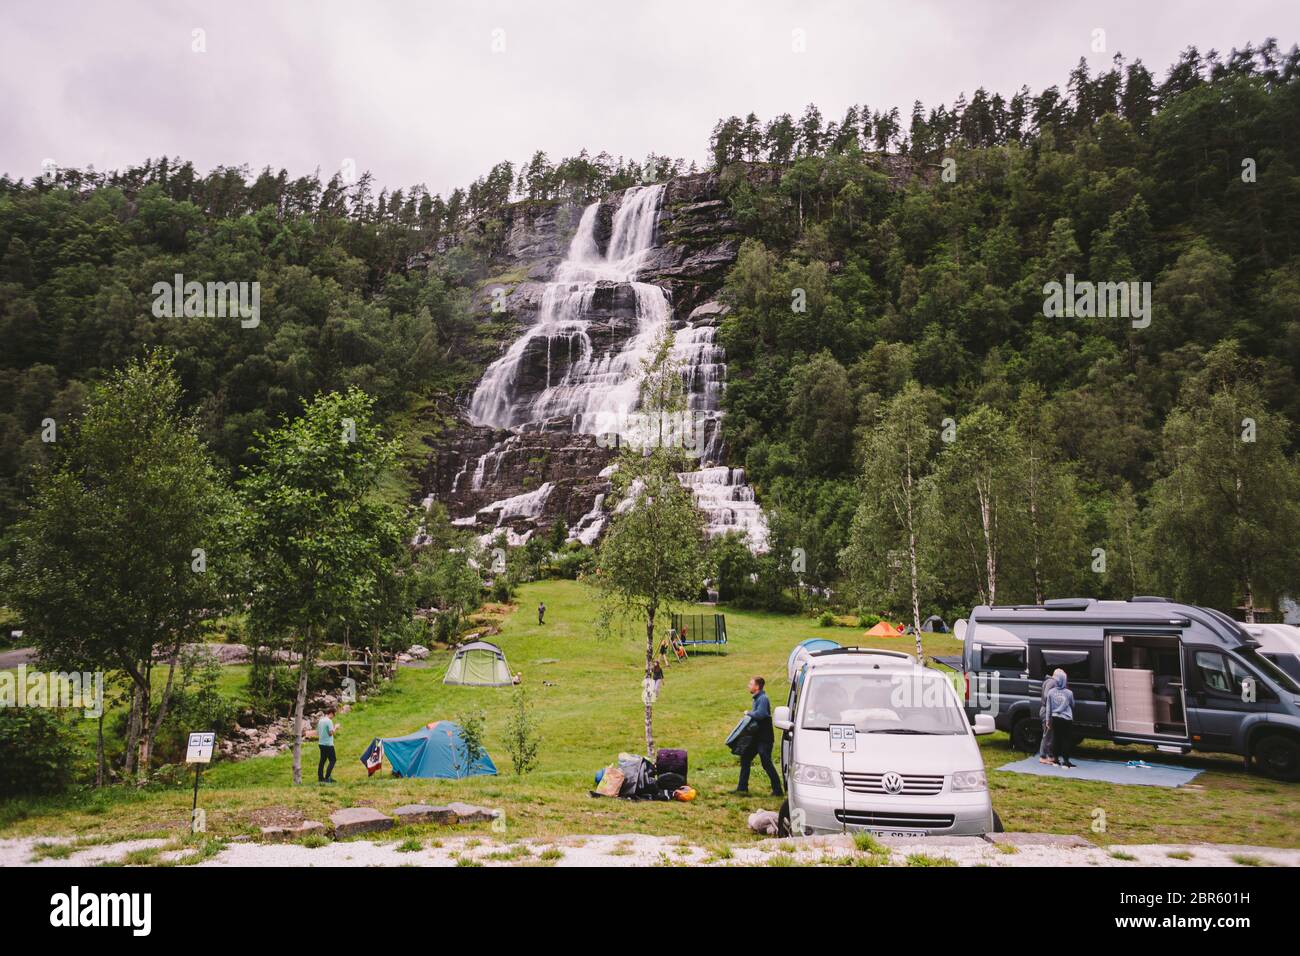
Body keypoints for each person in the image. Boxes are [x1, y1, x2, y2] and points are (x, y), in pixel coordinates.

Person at [735, 676, 782, 796]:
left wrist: (748, 713)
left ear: (757, 686)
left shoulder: (763, 699)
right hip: (756, 738)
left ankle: (778, 790)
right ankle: (742, 788)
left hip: (765, 738)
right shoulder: (757, 698)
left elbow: (761, 715)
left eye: (751, 684)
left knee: (766, 762)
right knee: (745, 758)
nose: (748, 686)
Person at [1047, 672, 1076, 768]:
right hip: (1066, 718)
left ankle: (1055, 759)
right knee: (1066, 739)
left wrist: (1048, 720)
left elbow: (1048, 707)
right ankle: (1066, 761)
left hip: (1055, 718)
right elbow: (1073, 704)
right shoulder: (1069, 693)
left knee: (1056, 738)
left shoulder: (1050, 692)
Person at [1037, 669, 1063, 764]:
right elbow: (1048, 696)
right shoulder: (1052, 682)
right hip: (1047, 711)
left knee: (1050, 734)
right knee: (1048, 735)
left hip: (1047, 710)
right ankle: (1043, 756)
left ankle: (1050, 756)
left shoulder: (1049, 681)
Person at [317, 708, 339, 783]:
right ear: (331, 713)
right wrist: (335, 727)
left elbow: (318, 731)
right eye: (334, 715)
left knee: (322, 761)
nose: (333, 717)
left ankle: (320, 778)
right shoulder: (329, 721)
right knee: (333, 760)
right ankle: (327, 777)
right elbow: (330, 733)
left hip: (321, 743)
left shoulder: (320, 720)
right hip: (328, 744)